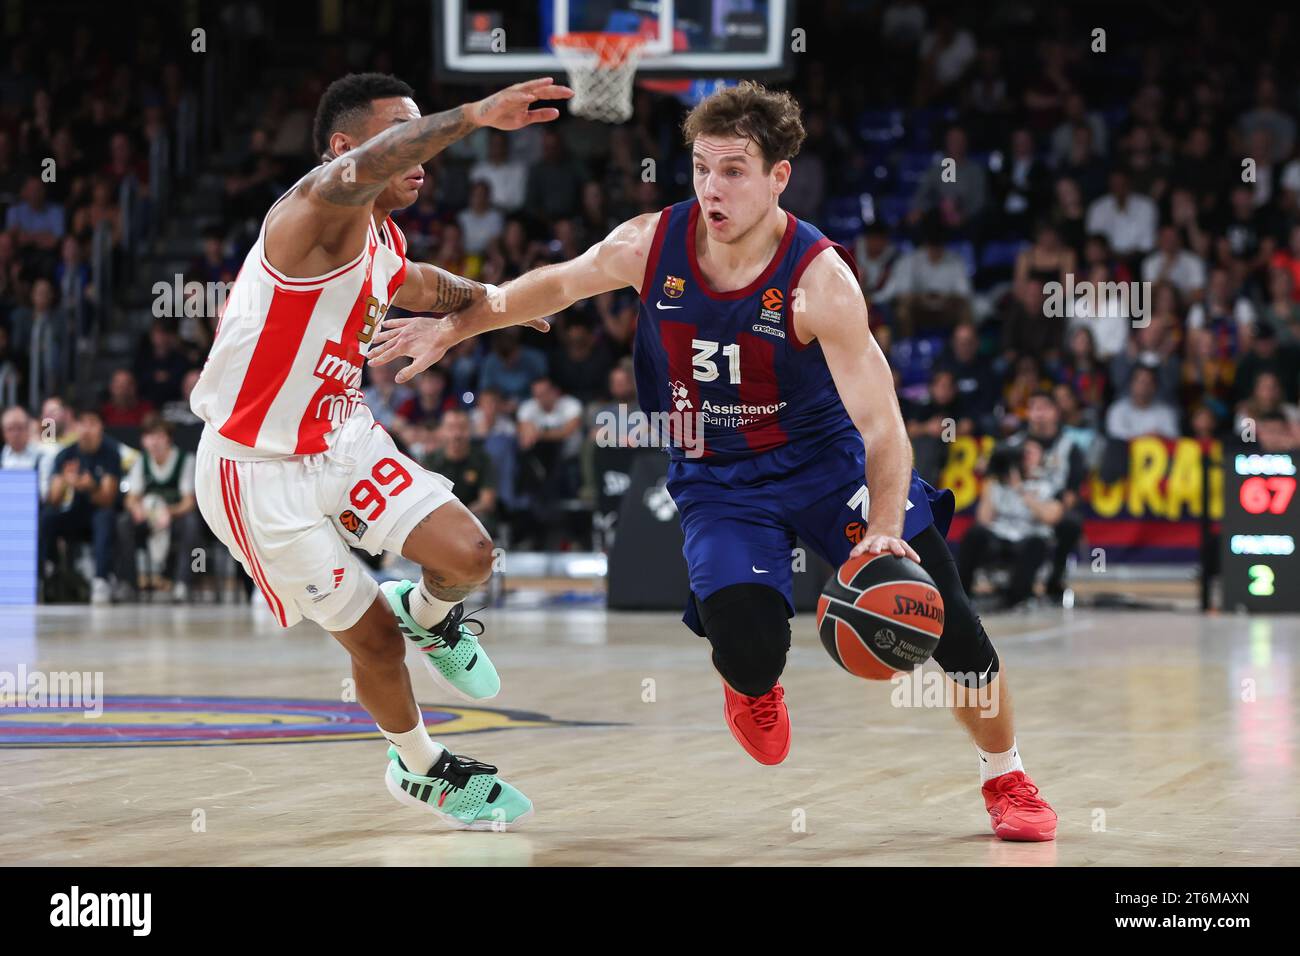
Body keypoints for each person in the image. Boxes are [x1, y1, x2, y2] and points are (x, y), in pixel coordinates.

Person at [373, 81, 1057, 841]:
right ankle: (753, 686)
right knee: (752, 650)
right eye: (701, 167)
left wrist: (889, 529)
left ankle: (1009, 778)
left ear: (778, 177)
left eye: (733, 170)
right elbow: (554, 287)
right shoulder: (650, 244)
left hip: (830, 471)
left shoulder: (820, 281)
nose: (711, 188)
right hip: (718, 479)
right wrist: (455, 327)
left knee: (952, 624)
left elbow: (885, 429)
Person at [187, 72, 571, 830]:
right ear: (344, 150)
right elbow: (379, 163)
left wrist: (494, 304)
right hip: (257, 471)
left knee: (470, 555)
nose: (419, 156)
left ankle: (431, 613)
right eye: (403, 135)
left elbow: (417, 284)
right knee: (374, 642)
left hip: (342, 439)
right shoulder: (310, 213)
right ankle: (422, 766)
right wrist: (473, 116)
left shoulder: (380, 236)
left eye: (422, 134)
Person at [958, 440, 1060, 610]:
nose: (1025, 459)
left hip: (1027, 538)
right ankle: (961, 594)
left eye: (1031, 454)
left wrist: (1020, 488)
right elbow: (983, 520)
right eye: (1023, 454)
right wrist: (991, 481)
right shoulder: (997, 484)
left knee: (1037, 543)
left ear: (1041, 459)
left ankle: (1015, 598)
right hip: (1000, 537)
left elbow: (1051, 517)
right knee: (974, 533)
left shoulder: (1046, 485)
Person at [40, 406, 120, 605]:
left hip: (98, 513)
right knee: (48, 517)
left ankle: (101, 579)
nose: (86, 429)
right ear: (75, 426)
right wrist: (65, 482)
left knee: (104, 516)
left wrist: (91, 486)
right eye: (82, 423)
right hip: (74, 513)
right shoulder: (66, 454)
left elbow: (108, 498)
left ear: (100, 427)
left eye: (92, 423)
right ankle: (48, 572)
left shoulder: (111, 452)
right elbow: (53, 499)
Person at [121, 416, 200, 601]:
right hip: (150, 516)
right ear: (143, 440)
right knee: (123, 523)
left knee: (192, 524)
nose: (154, 442)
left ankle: (182, 583)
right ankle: (128, 583)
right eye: (149, 436)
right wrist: (137, 509)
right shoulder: (141, 462)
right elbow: (131, 498)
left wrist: (167, 512)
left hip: (174, 517)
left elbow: (189, 502)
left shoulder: (185, 460)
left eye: (159, 436)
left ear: (168, 439)